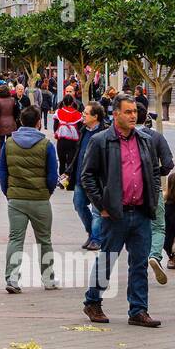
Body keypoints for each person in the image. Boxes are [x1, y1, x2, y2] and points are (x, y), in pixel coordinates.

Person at [80, 93, 173, 328]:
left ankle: (139, 310)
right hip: (115, 213)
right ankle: (93, 301)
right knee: (107, 259)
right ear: (116, 114)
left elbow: (152, 171)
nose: (134, 116)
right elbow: (87, 176)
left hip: (141, 211)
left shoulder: (144, 140)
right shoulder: (102, 140)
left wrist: (152, 198)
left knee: (140, 263)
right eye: (128, 112)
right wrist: (102, 206)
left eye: (135, 112)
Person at [0, 106, 59, 292]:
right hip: (40, 199)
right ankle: (48, 279)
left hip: (16, 199)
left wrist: (8, 192)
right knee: (44, 240)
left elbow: (3, 170)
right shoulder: (46, 145)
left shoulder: (9, 143)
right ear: (39, 122)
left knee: (15, 239)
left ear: (20, 121)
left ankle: (12, 279)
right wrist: (47, 192)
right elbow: (52, 175)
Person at [68, 101, 107, 251]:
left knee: (97, 211)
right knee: (79, 205)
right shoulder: (83, 130)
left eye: (86, 113)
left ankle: (97, 239)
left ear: (95, 116)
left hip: (98, 180)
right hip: (80, 177)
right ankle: (92, 233)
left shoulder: (104, 133)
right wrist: (69, 170)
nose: (83, 115)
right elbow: (79, 153)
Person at [53, 94, 83, 176]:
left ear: (63, 102)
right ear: (73, 103)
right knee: (70, 162)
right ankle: (69, 181)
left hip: (61, 141)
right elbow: (80, 129)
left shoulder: (58, 112)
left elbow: (55, 127)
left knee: (62, 162)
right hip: (73, 142)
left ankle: (62, 181)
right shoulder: (78, 114)